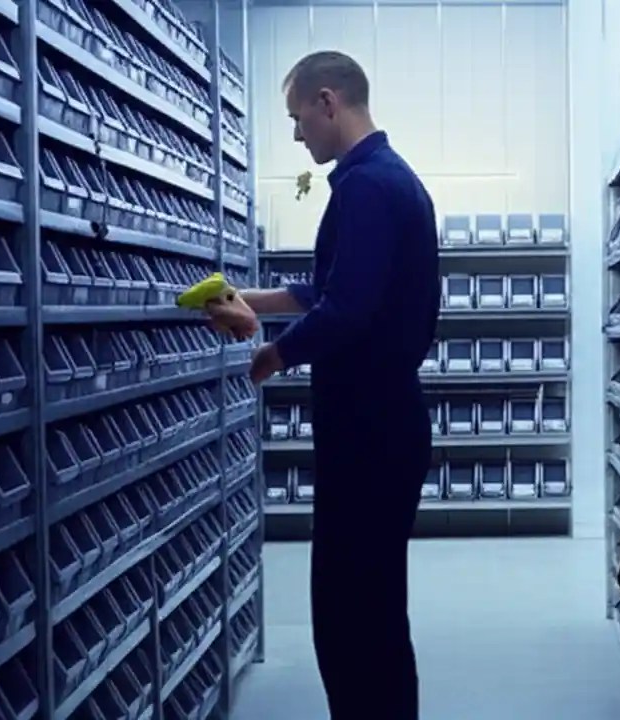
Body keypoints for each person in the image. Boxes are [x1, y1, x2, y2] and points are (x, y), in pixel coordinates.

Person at [204, 50, 440, 719]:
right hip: (383, 425)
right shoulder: (387, 180)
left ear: (327, 102)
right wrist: (245, 299)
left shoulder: (367, 188)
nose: (296, 133)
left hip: (370, 430)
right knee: (371, 612)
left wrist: (274, 354)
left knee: (350, 620)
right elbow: (331, 290)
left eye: (297, 117)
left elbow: (348, 310)